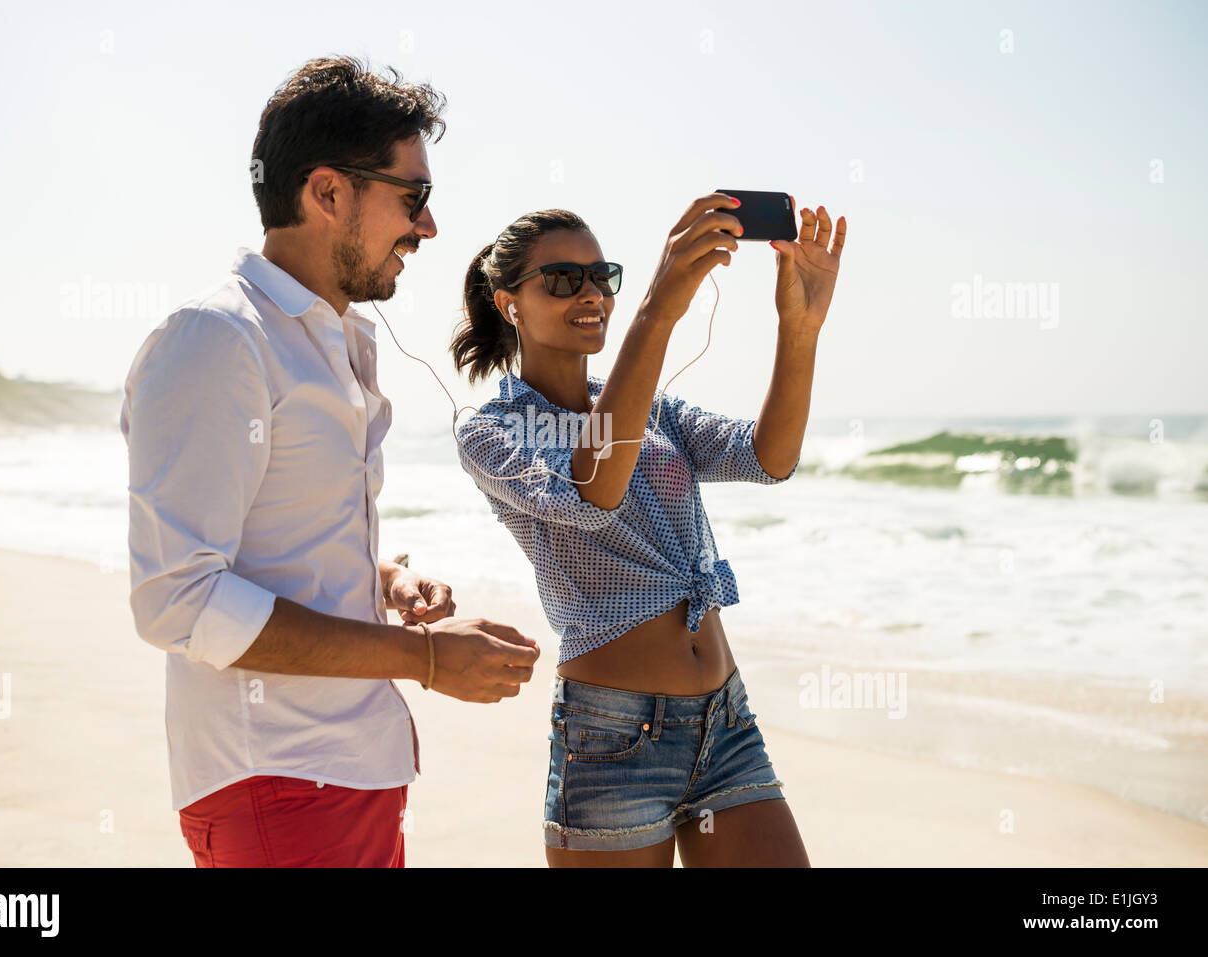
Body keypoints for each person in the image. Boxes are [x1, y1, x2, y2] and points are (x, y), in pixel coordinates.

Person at [120, 55, 539, 868]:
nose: (428, 227)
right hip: (276, 781)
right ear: (327, 193)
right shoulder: (218, 338)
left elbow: (268, 540)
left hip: (341, 774)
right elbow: (177, 598)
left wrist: (379, 579)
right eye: (412, 197)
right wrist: (423, 658)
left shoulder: (334, 340)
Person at [450, 193, 846, 866]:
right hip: (611, 737)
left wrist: (799, 328)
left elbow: (768, 457)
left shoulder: (653, 408)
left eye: (602, 276)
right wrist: (658, 307)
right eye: (563, 280)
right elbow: (592, 489)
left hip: (726, 724)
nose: (592, 294)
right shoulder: (490, 430)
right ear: (507, 301)